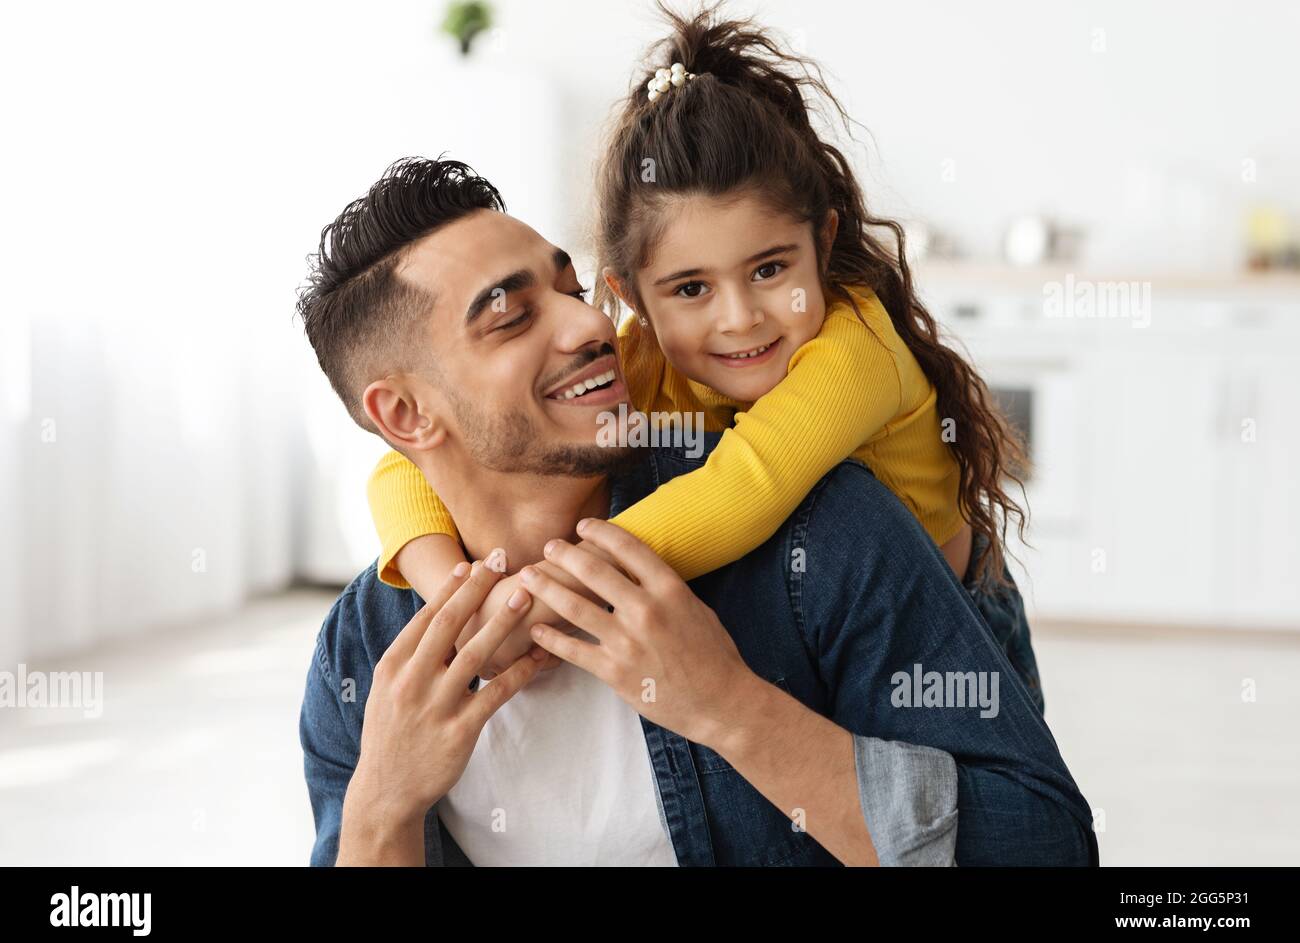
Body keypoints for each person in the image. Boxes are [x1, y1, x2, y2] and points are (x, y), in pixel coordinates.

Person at [296, 155, 1097, 866]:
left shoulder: (818, 532)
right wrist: (379, 809)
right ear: (404, 416)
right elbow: (394, 482)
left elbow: (1049, 845)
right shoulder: (363, 658)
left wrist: (732, 710)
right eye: (512, 318)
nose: (592, 325)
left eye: (571, 287)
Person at [362, 9, 1044, 712]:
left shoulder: (856, 347)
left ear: (823, 241)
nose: (740, 317)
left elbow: (747, 486)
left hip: (940, 636)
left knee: (964, 816)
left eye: (770, 269)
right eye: (691, 288)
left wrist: (530, 607)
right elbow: (407, 461)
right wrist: (453, 594)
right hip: (806, 634)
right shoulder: (644, 361)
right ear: (633, 297)